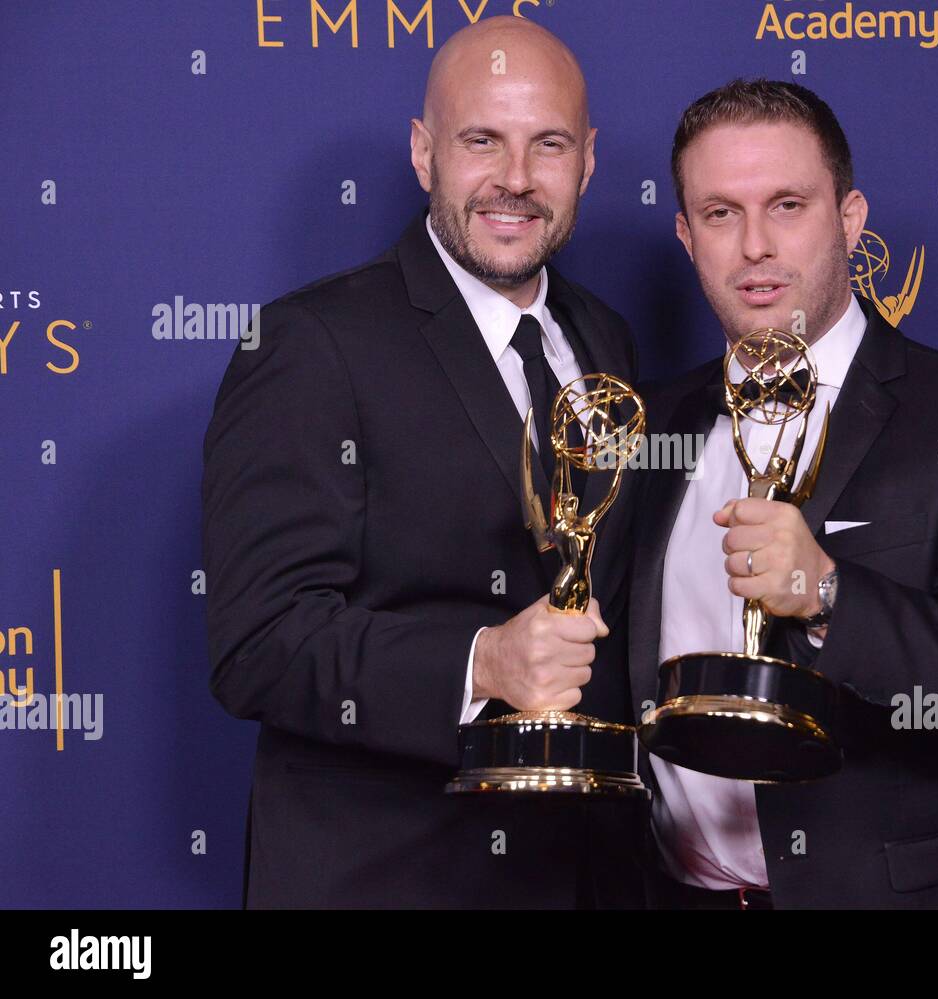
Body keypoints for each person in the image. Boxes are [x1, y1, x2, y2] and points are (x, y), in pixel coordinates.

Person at [201, 16, 642, 908]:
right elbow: (258, 643)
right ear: (423, 152)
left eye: (547, 144)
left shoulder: (605, 339)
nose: (516, 180)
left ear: (588, 161)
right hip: (387, 880)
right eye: (483, 140)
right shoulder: (310, 343)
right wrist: (482, 662)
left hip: (581, 876)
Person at [630, 79, 938, 909]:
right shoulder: (650, 428)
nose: (755, 245)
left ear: (851, 218)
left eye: (787, 204)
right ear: (687, 235)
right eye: (720, 214)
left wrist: (828, 594)